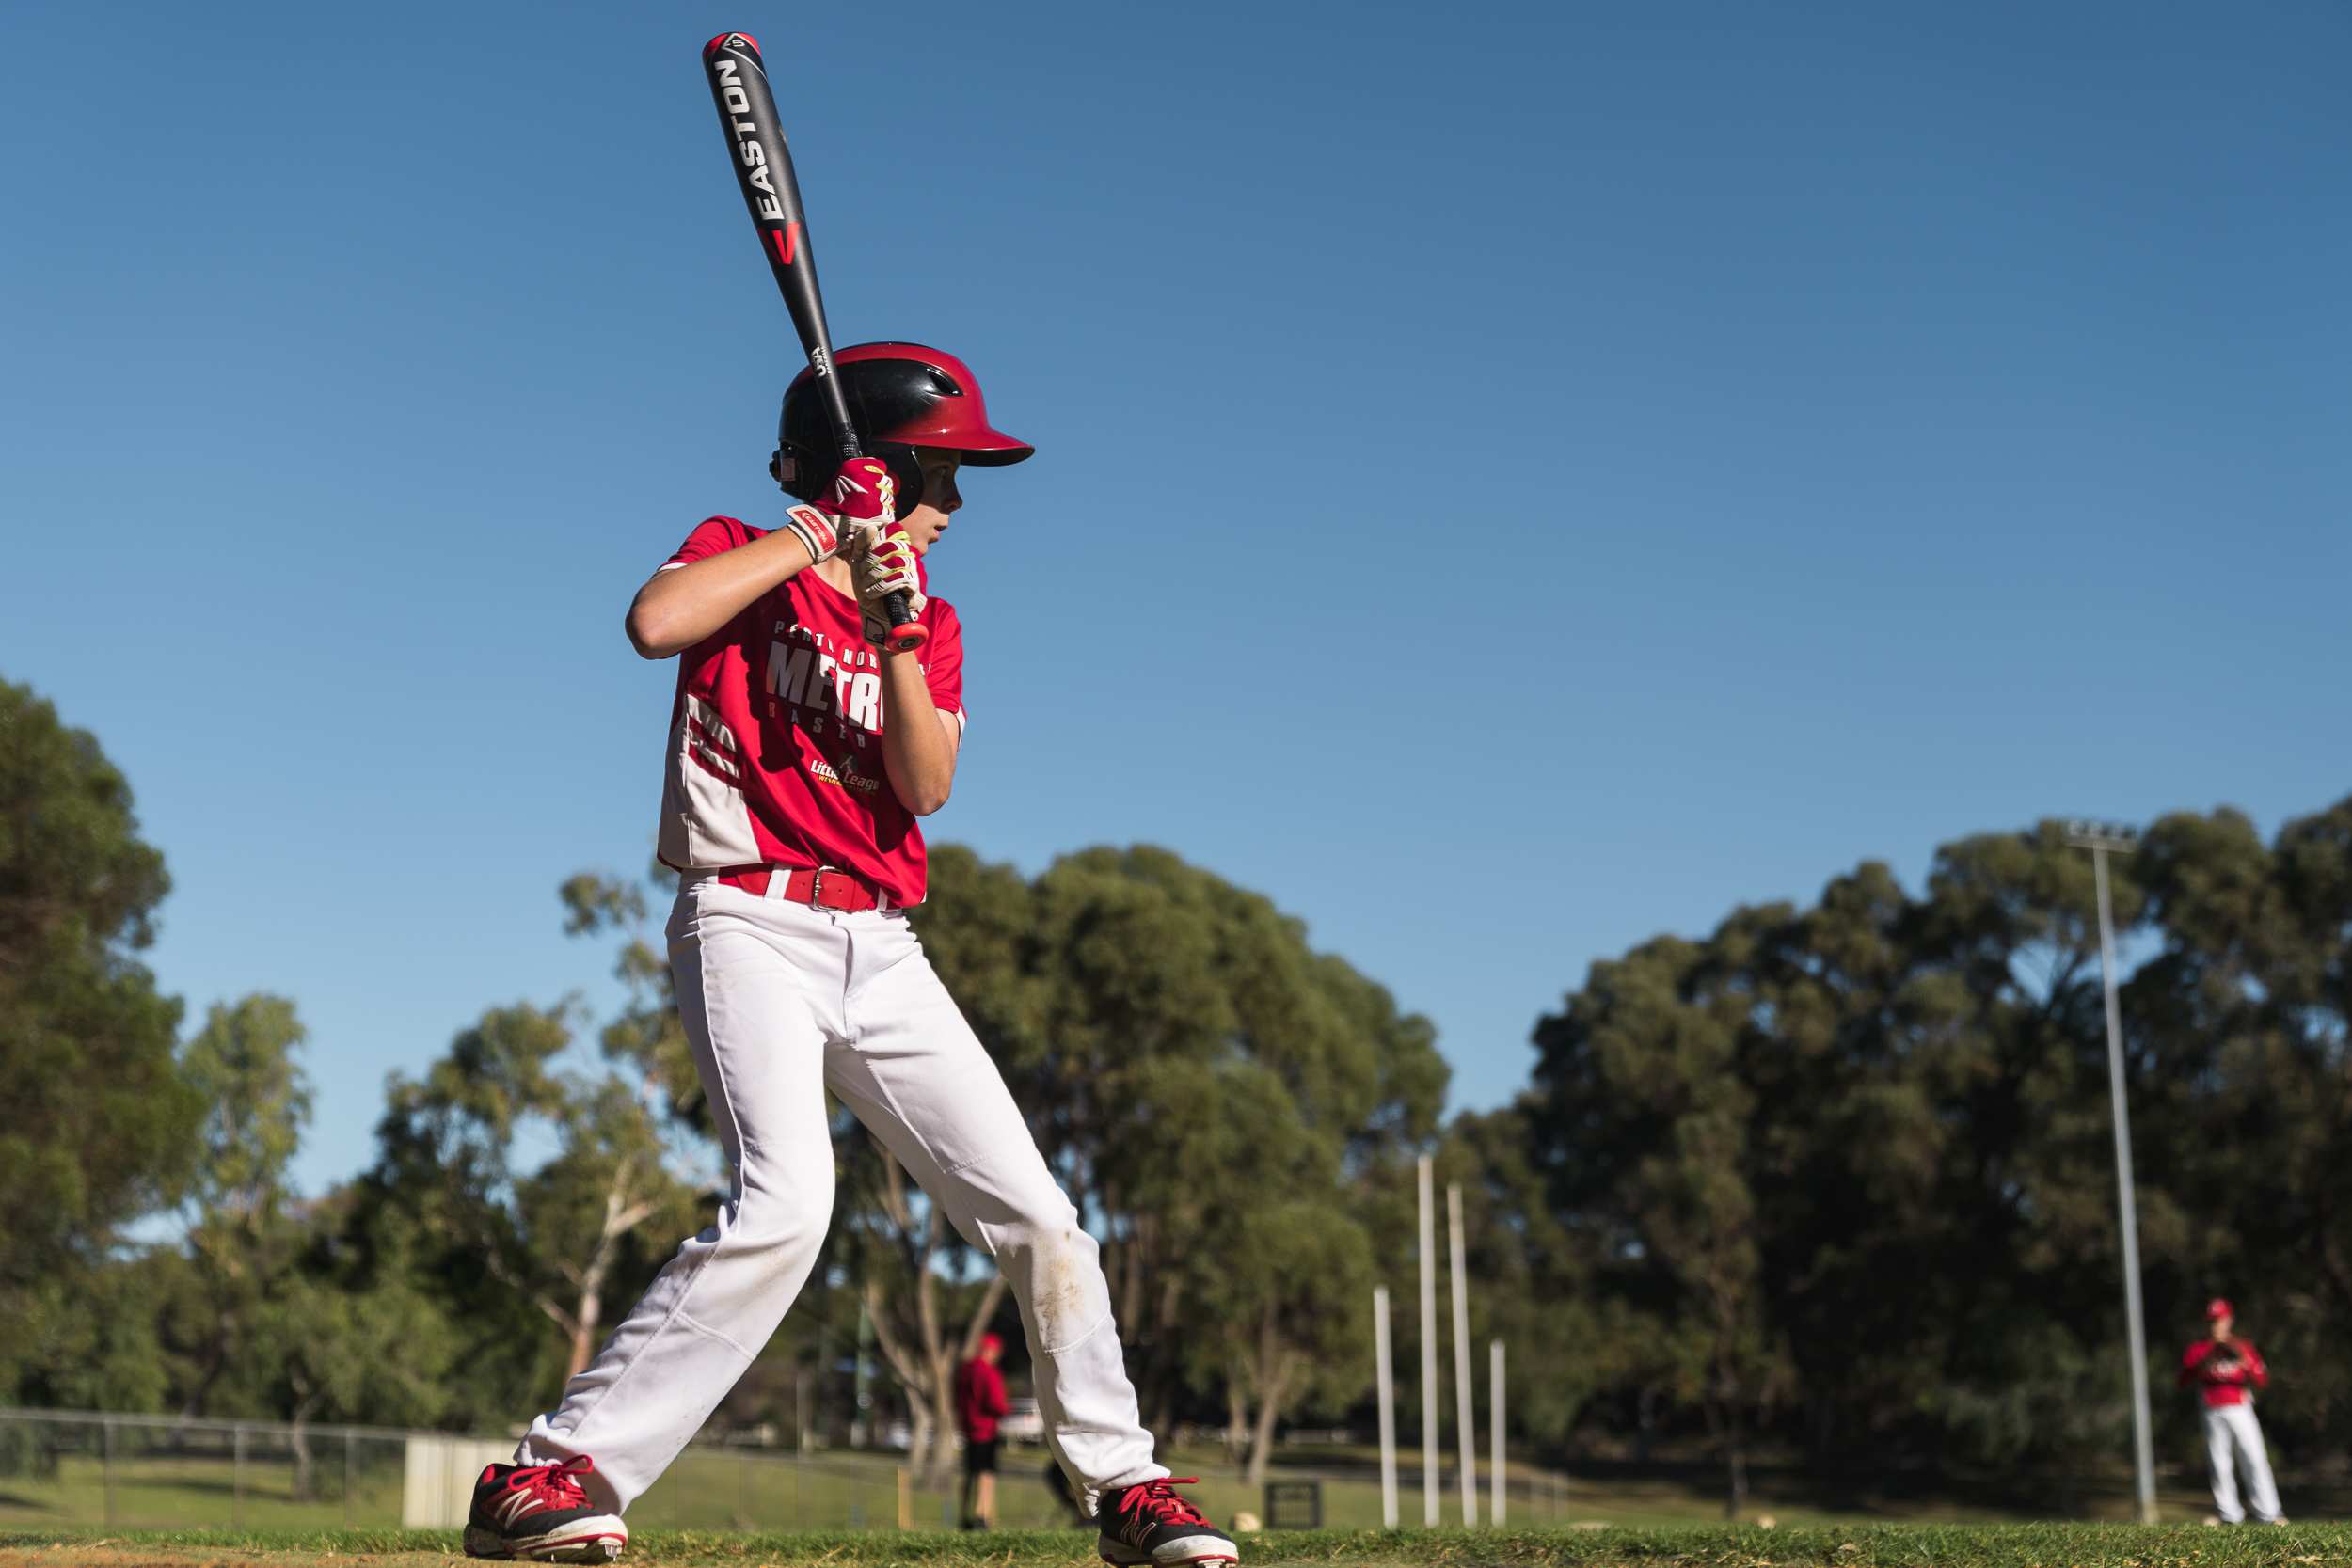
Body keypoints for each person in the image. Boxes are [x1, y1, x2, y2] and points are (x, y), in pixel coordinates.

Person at [458, 343, 1237, 1568]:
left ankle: (1125, 1488)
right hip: (746, 918)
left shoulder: (931, 615)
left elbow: (925, 782)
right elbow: (655, 621)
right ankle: (551, 1470)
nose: (957, 505)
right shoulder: (742, 545)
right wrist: (822, 531)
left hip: (878, 940)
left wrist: (894, 633)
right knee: (786, 1203)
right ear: (871, 468)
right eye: (942, 472)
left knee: (1040, 1214)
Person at [2180, 1297, 2283, 1526]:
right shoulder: (2198, 1349)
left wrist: (2245, 1361)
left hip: (2239, 1406)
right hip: (2211, 1408)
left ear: (2229, 1320)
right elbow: (2183, 1380)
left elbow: (2261, 1379)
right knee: (2219, 1463)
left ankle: (2269, 1512)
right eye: (2212, 1321)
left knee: (2254, 1458)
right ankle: (2229, 1514)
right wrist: (2201, 1365)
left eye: (2220, 1320)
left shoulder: (2242, 1345)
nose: (2215, 1325)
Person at [957, 1331, 1010, 1528]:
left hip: (969, 1429)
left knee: (970, 1473)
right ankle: (982, 1515)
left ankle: (964, 1513)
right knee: (986, 1474)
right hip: (986, 1430)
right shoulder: (989, 1373)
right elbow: (995, 1402)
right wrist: (1005, 1409)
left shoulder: (966, 1370)